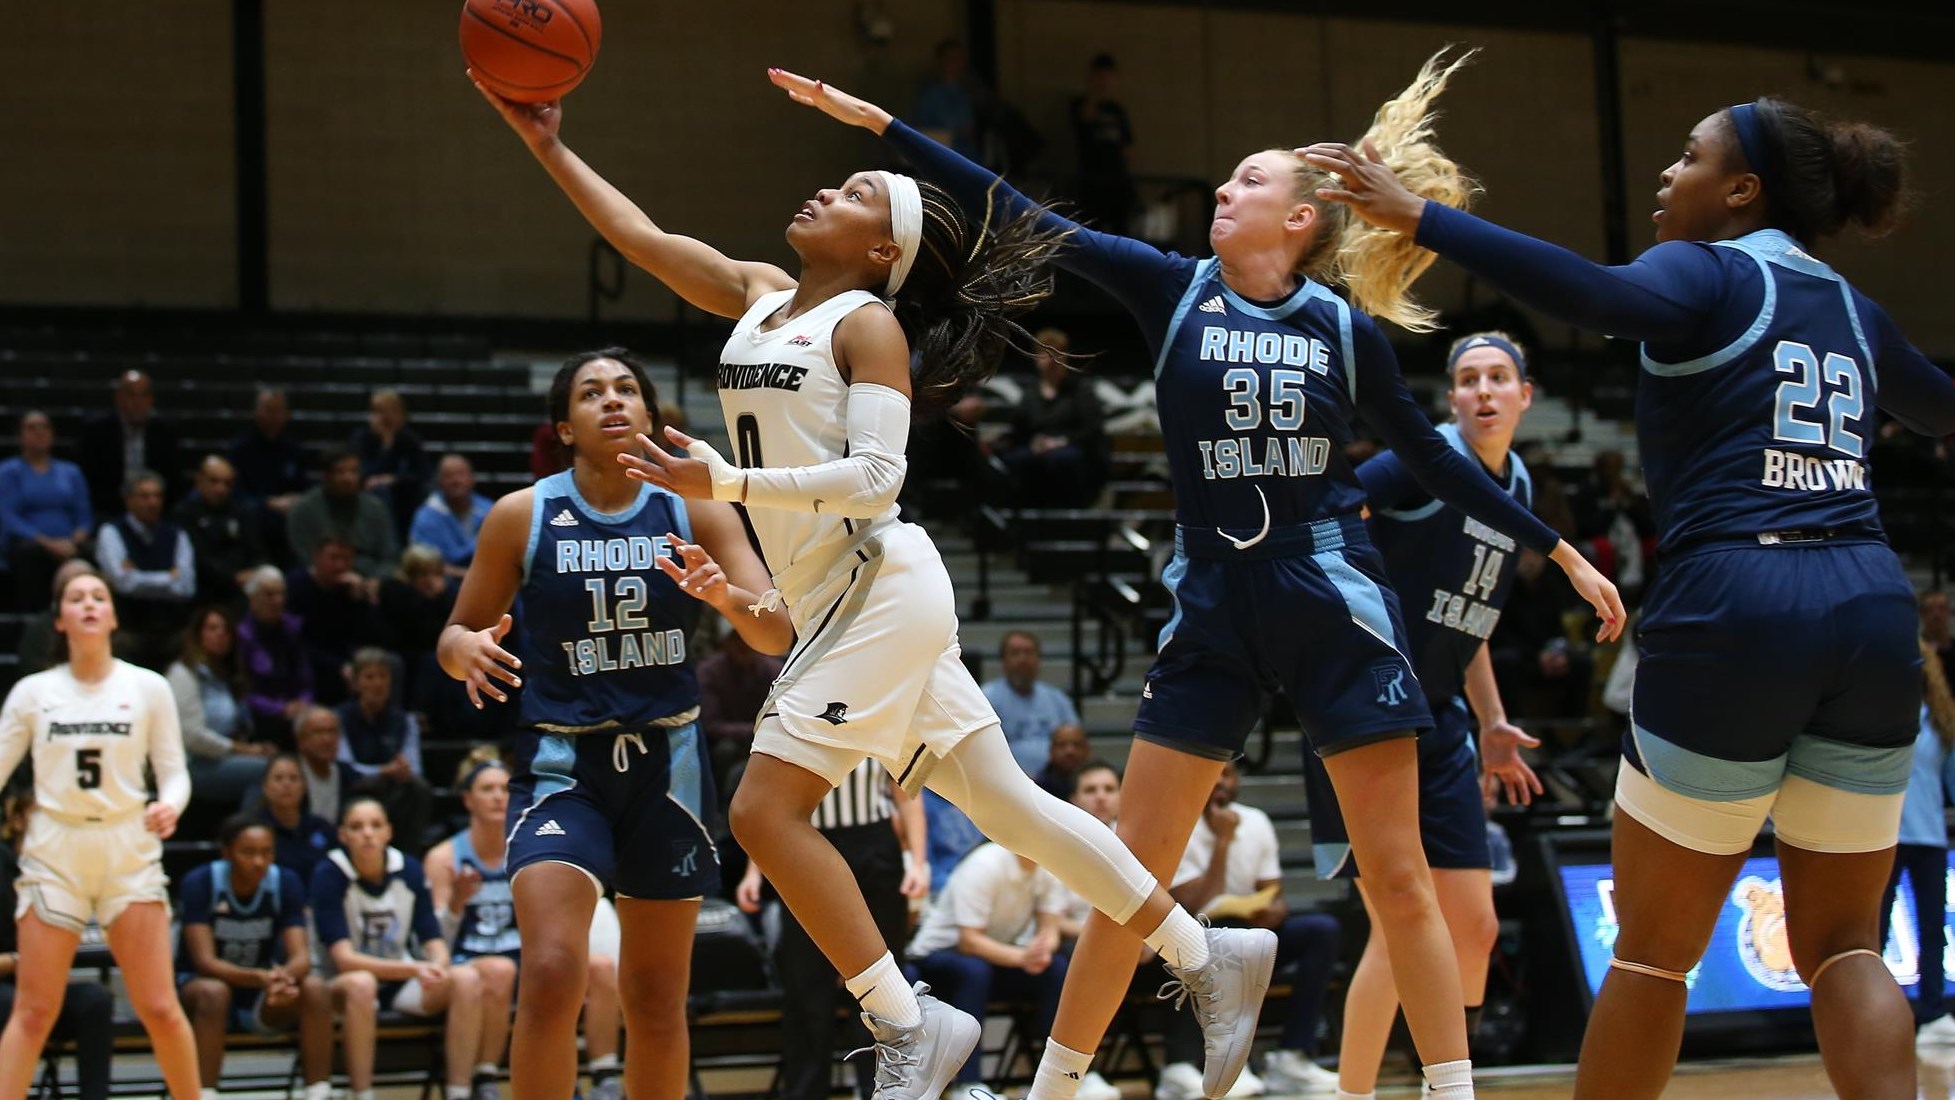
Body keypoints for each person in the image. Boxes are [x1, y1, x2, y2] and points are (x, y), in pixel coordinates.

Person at [774, 53, 1622, 1100]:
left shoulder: (1342, 330)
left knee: (1400, 876)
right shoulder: (1172, 288)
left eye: (1246, 181)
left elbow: (1437, 460)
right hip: (1214, 598)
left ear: (1298, 219)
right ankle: (1054, 1090)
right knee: (1129, 867)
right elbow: (1018, 209)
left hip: (1330, 596)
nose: (1221, 189)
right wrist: (881, 126)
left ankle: (1450, 1092)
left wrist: (1558, 547)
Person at [481, 72, 1282, 1100]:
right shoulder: (762, 296)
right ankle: (1203, 952)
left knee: (763, 813)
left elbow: (875, 480)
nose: (828, 190)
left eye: (858, 192)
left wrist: (723, 482)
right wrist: (546, 145)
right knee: (1014, 808)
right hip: (831, 595)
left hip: (878, 582)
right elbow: (641, 237)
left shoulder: (868, 326)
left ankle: (905, 1020)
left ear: (879, 251)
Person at [1307, 90, 1952, 1100]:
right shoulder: (1852, 310)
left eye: (1689, 155)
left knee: (1652, 952)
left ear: (1740, 190)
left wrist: (1420, 217)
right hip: (1872, 604)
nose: (1667, 172)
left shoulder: (1706, 269)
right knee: (1843, 942)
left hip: (1740, 594)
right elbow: (1940, 410)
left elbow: (1589, 294)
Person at [438, 348, 792, 1100]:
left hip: (668, 764)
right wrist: (464, 649)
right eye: (591, 392)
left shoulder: (696, 507)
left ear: (651, 415)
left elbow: (774, 630)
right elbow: (454, 634)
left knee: (656, 999)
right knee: (552, 973)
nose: (612, 400)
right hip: (562, 765)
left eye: (627, 389)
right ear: (564, 427)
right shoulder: (521, 515)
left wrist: (724, 597)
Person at [1299, 332, 1542, 1098]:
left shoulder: (1517, 486)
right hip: (1365, 712)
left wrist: (1492, 722)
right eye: (1468, 379)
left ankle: (1438, 1078)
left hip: (1441, 718)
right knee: (1399, 924)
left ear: (1524, 396)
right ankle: (1359, 1092)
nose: (1482, 391)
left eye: (1497, 377)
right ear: (1452, 397)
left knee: (1471, 929)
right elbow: (1322, 511)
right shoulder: (1417, 460)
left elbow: (1467, 620)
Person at [0, 565, 199, 1100]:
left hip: (127, 844)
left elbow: (175, 772)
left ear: (112, 615)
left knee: (160, 1007)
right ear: (59, 620)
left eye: (98, 596)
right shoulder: (32, 692)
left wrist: (170, 804)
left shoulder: (148, 687)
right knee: (34, 1012)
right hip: (55, 847)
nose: (88, 604)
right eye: (76, 598)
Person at [736, 760, 929, 1100]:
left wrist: (918, 861)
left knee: (884, 986)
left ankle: (884, 1092)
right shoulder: (787, 722)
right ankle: (805, 1093)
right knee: (805, 985)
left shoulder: (882, 724)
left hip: (874, 847)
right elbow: (768, 803)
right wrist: (754, 872)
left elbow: (906, 793)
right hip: (802, 842)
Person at [1160, 764, 1342, 1100]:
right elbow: (1194, 906)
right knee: (1223, 933)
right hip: (1191, 939)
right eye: (1212, 772)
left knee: (1321, 930)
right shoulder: (1177, 823)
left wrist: (1274, 910)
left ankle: (1292, 1055)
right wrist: (1223, 840)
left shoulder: (1256, 821)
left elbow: (1273, 892)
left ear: (1237, 780)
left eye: (1227, 773)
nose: (1220, 780)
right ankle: (1217, 1061)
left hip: (1250, 932)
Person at [312, 796, 482, 1100]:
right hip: (341, 985)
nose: (367, 833)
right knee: (362, 984)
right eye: (357, 827)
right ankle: (362, 1094)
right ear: (343, 835)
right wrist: (416, 969)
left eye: (375, 825)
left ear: (388, 832)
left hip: (400, 982)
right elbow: (344, 959)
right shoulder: (329, 874)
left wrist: (438, 965)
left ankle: (460, 1092)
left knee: (466, 978)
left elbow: (433, 939)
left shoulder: (409, 869)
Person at [177, 815, 332, 1100]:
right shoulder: (201, 882)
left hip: (262, 994)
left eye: (266, 853)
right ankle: (202, 1094)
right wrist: (258, 978)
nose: (259, 862)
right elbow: (205, 962)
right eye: (248, 853)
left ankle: (319, 1092)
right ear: (227, 853)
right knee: (214, 992)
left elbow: (301, 958)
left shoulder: (285, 882)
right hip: (201, 991)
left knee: (316, 987)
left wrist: (281, 979)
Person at [905, 840, 1071, 1091]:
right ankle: (967, 1085)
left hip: (993, 958)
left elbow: (1050, 929)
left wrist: (1042, 950)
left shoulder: (1049, 867)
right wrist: (1023, 958)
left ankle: (1059, 1080)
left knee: (1056, 967)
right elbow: (969, 942)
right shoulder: (984, 865)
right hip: (935, 957)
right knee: (974, 971)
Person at [0, 790, 114, 1100]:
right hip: (8, 986)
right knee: (10, 1003)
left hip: (39, 988)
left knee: (94, 1000)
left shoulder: (66, 870)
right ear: (17, 819)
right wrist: (20, 960)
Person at [424, 756, 522, 1100]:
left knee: (591, 967)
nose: (498, 797)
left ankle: (597, 1078)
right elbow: (434, 939)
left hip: (522, 962)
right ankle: (484, 1079)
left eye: (505, 789)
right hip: (465, 960)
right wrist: (456, 901)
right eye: (487, 789)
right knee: (498, 970)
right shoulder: (444, 858)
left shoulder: (527, 849)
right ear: (467, 800)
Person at [1889, 639, 1955, 1045]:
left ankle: (1931, 1011)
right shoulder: (1875, 714)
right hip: (1884, 837)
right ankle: (1878, 1015)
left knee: (1933, 928)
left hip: (1930, 836)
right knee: (1873, 930)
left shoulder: (1940, 721)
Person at [169, 605, 277, 807]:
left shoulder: (227, 676)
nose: (221, 634)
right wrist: (243, 750)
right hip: (193, 762)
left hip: (225, 757)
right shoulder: (183, 674)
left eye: (226, 630)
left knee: (282, 765)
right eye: (212, 628)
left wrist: (256, 748)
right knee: (271, 773)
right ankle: (250, 825)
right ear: (198, 634)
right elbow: (191, 735)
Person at [335, 648, 434, 854]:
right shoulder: (339, 718)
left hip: (392, 791)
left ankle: (409, 855)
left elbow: (415, 768)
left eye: (383, 676)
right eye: (369, 677)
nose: (377, 683)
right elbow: (343, 765)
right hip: (354, 787)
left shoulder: (405, 721)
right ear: (355, 683)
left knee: (418, 788)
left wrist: (402, 770)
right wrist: (382, 771)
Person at [95, 469, 196, 669]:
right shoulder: (111, 532)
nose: (152, 502)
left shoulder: (177, 535)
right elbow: (123, 583)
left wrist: (138, 576)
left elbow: (186, 587)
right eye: (145, 496)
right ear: (128, 500)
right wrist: (169, 577)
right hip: (128, 629)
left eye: (157, 496)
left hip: (171, 629)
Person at [1002, 329, 1107, 509]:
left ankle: (1065, 511)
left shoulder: (1080, 390)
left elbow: (1092, 429)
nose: (1051, 360)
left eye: (1056, 353)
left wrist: (1061, 441)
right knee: (1020, 459)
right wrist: (1034, 442)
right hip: (1038, 447)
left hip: (1071, 446)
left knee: (1062, 460)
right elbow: (1019, 428)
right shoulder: (1030, 394)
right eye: (1045, 353)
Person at [1, 411, 92, 613]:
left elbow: (84, 515)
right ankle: (33, 619)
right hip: (30, 543)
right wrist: (48, 543)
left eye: (44, 427)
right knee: (30, 556)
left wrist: (75, 539)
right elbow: (8, 516)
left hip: (69, 542)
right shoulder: (7, 471)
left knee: (90, 554)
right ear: (20, 435)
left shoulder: (71, 472)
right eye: (31, 428)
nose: (39, 432)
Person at [287, 536, 384, 706]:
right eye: (334, 558)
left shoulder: (351, 588)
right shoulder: (295, 586)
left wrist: (360, 601)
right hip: (308, 657)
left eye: (346, 559)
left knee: (386, 663)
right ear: (316, 557)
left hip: (347, 658)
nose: (340, 566)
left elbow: (373, 637)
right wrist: (338, 666)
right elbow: (296, 641)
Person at [697, 627, 785, 797]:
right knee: (724, 751)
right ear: (725, 643)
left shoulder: (773, 670)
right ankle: (721, 805)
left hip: (767, 738)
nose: (743, 645)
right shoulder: (709, 672)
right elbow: (710, 725)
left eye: (747, 639)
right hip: (727, 743)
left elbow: (785, 714)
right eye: (736, 639)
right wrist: (753, 730)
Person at [982, 630, 1084, 777]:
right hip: (1005, 780)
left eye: (1029, 653)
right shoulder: (986, 698)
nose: (1023, 659)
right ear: (1003, 661)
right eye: (1015, 653)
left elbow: (1077, 742)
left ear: (1038, 659)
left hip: (1056, 780)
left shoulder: (1058, 699)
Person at [79, 370, 181, 517]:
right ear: (118, 398)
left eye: (143, 395)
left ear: (151, 400)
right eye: (131, 395)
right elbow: (90, 479)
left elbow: (172, 479)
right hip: (108, 510)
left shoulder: (164, 431)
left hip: (155, 511)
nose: (138, 402)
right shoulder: (97, 431)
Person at [227, 388, 311, 563]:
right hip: (255, 513)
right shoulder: (241, 448)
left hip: (288, 514)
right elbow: (236, 492)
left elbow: (303, 486)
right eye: (269, 410)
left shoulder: (294, 448)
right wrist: (267, 502)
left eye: (278, 411)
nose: (274, 417)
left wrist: (294, 498)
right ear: (257, 411)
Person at [288, 450, 400, 578]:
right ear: (327, 475)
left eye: (354, 472)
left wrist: (376, 581)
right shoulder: (304, 509)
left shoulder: (376, 507)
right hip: (321, 581)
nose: (348, 478)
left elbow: (390, 556)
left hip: (370, 578)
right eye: (341, 472)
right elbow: (303, 557)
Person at [174, 455, 267, 604]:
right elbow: (197, 556)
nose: (221, 489)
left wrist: (256, 571)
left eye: (227, 483)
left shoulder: (242, 511)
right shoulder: (184, 513)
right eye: (214, 481)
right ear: (199, 480)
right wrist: (232, 577)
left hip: (242, 588)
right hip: (202, 589)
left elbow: (256, 550)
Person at [237, 565, 314, 747]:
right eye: (270, 595)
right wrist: (279, 708)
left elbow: (305, 676)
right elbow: (242, 691)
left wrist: (303, 701)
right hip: (260, 715)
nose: (277, 601)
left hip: (296, 710)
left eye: (281, 594)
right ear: (252, 599)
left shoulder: (293, 629)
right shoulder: (241, 635)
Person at [350, 390, 432, 538]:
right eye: (378, 412)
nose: (385, 418)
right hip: (371, 495)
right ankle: (390, 544)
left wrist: (394, 479)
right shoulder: (361, 438)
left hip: (404, 493)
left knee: (427, 491)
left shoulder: (410, 439)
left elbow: (422, 474)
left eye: (390, 412)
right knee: (380, 491)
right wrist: (386, 446)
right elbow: (363, 473)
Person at [1071, 54, 1136, 236]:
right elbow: (1084, 119)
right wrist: (1096, 91)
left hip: (1117, 181)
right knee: (1092, 232)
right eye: (1100, 76)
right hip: (1092, 181)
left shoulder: (1117, 110)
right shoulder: (1080, 105)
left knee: (1122, 232)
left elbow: (1127, 147)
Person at [253, 753, 337, 884]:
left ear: (304, 786)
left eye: (293, 778)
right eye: (278, 778)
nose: (286, 784)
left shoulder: (322, 827)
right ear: (265, 787)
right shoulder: (255, 831)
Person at [411, 455, 494, 574]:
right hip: (445, 579)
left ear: (472, 479)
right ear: (438, 482)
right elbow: (425, 564)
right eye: (448, 476)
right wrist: (468, 576)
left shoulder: (491, 510)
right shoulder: (426, 516)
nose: (456, 481)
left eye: (461, 474)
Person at [293, 706, 361, 827]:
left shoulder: (348, 775)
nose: (327, 740)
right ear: (300, 740)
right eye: (318, 732)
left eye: (332, 732)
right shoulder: (289, 775)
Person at [1036, 724, 1092, 801]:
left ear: (1087, 750)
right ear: (1051, 751)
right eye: (1062, 745)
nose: (1070, 751)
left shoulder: (1101, 784)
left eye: (1077, 744)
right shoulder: (1038, 788)